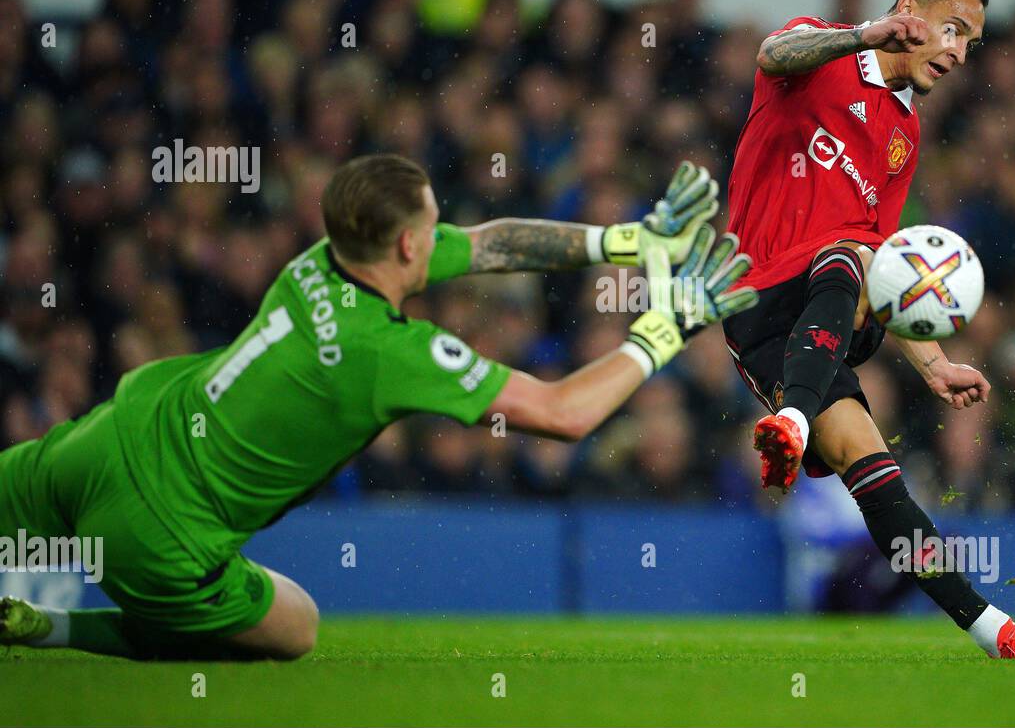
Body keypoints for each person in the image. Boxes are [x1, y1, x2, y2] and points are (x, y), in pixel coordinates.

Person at [0, 156, 755, 660]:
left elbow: (489, 246)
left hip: (114, 433)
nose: (442, 232)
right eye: (431, 224)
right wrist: (666, 330)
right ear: (403, 246)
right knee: (294, 627)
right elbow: (561, 413)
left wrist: (629, 241)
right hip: (161, 536)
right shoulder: (393, 354)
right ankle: (51, 629)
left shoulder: (318, 260)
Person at [722, 0, 1015, 660]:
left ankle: (994, 631)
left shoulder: (903, 135)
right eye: (950, 28)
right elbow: (773, 52)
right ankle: (793, 421)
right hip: (755, 300)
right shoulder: (820, 50)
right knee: (845, 265)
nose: (956, 51)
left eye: (970, 44)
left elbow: (882, 264)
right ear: (907, 11)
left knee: (878, 465)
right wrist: (866, 33)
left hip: (826, 312)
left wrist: (933, 362)